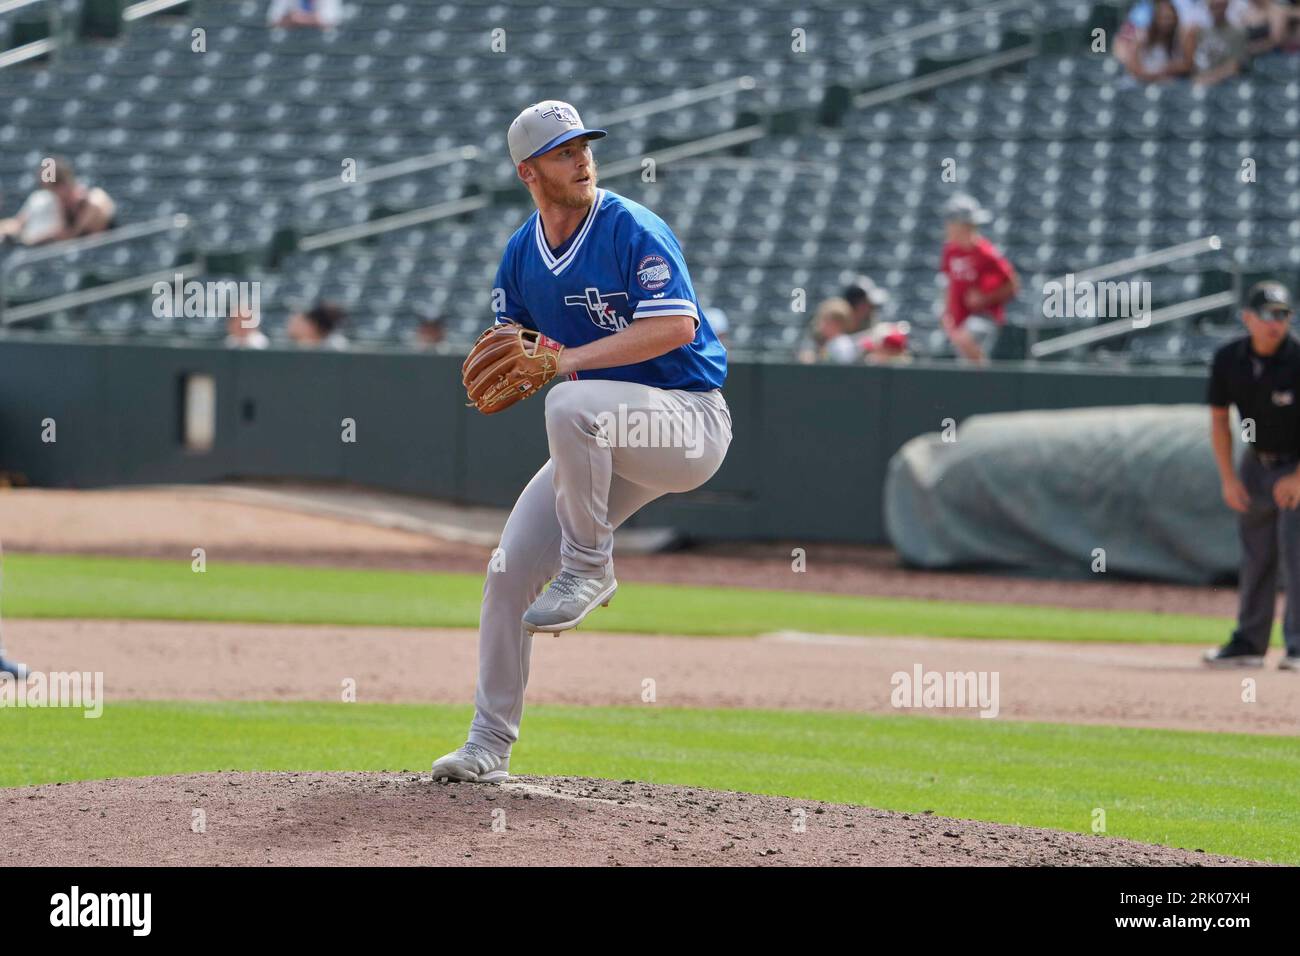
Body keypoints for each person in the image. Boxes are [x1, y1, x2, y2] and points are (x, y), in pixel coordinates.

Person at [430, 100, 732, 783]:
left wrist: (562, 362)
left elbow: (677, 328)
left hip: (688, 423)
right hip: (604, 435)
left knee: (570, 400)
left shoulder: (629, 226)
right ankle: (486, 745)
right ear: (528, 171)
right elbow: (512, 349)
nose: (583, 157)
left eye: (584, 145)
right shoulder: (520, 255)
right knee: (507, 573)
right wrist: (527, 360)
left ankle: (590, 565)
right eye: (564, 151)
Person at [1205, 280, 1300, 670]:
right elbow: (1218, 419)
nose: (1275, 323)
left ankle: (1298, 646)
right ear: (1247, 318)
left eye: (1283, 315)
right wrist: (1228, 477)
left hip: (1296, 464)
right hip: (1256, 461)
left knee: (1297, 555)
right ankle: (1249, 642)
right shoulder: (1230, 358)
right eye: (1267, 315)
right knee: (1256, 555)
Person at [938, 194, 1018, 365]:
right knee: (965, 363)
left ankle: (987, 384)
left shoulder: (986, 253)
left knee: (966, 340)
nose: (947, 227)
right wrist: (946, 312)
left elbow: (1012, 285)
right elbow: (949, 285)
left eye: (951, 223)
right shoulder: (950, 251)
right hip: (960, 318)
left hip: (984, 317)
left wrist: (985, 298)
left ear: (963, 225)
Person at [0, 158, 116, 246]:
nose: (52, 192)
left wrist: (30, 239)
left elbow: (70, 236)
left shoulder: (93, 200)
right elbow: (18, 223)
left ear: (66, 184)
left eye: (55, 186)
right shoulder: (47, 199)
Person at [1117, 0, 1198, 82]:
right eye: (1164, 18)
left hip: (1170, 84)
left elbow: (1187, 65)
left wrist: (1164, 70)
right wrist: (1149, 75)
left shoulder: (1182, 37)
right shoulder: (1143, 36)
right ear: (1156, 18)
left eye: (1170, 18)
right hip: (1142, 83)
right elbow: (1132, 66)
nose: (1167, 22)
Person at [1193, 0, 1249, 83]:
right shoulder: (1202, 32)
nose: (1217, 10)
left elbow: (1235, 65)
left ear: (1226, 6)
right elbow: (1199, 62)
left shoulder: (1237, 32)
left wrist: (1210, 79)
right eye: (1214, 6)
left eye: (1219, 6)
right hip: (1204, 80)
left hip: (1228, 83)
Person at [267, 0, 341, 28]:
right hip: (291, 38)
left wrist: (298, 18)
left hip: (318, 40)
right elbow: (273, 19)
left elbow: (330, 21)